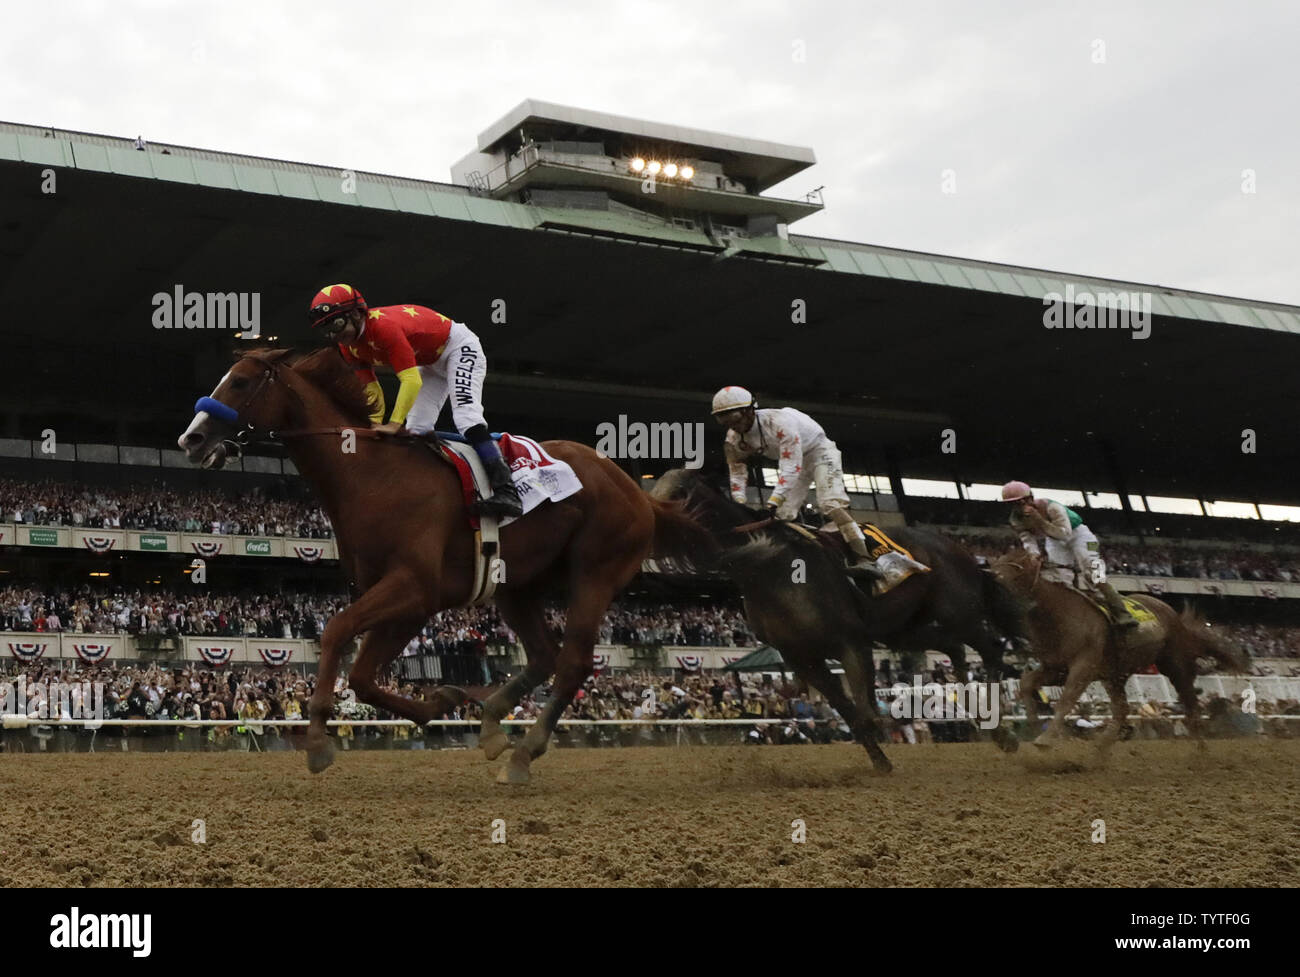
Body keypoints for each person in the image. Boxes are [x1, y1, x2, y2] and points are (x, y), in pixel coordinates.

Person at [307, 283, 521, 518]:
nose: (336, 335)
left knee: (466, 417)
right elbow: (371, 388)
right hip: (429, 361)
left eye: (337, 324)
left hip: (459, 348)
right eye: (327, 330)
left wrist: (393, 424)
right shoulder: (348, 347)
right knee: (418, 430)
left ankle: (507, 491)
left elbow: (410, 381)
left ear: (357, 313)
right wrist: (373, 423)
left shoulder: (383, 328)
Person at [711, 385, 925, 581]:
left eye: (735, 418)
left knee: (829, 504)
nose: (733, 426)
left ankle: (864, 559)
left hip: (820, 453)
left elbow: (790, 466)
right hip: (797, 462)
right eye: (725, 421)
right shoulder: (733, 439)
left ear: (749, 410)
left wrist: (773, 500)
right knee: (783, 516)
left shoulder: (778, 424)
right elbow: (737, 471)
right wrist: (738, 502)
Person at [999, 480, 1137, 628]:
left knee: (1092, 570)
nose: (1017, 508)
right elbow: (1027, 539)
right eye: (1012, 504)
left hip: (1082, 536)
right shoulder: (1015, 520)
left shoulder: (1052, 507)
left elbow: (1064, 534)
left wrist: (1038, 519)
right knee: (1060, 578)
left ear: (1029, 498)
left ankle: (1122, 613)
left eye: (1019, 502)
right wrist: (1033, 554)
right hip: (1053, 540)